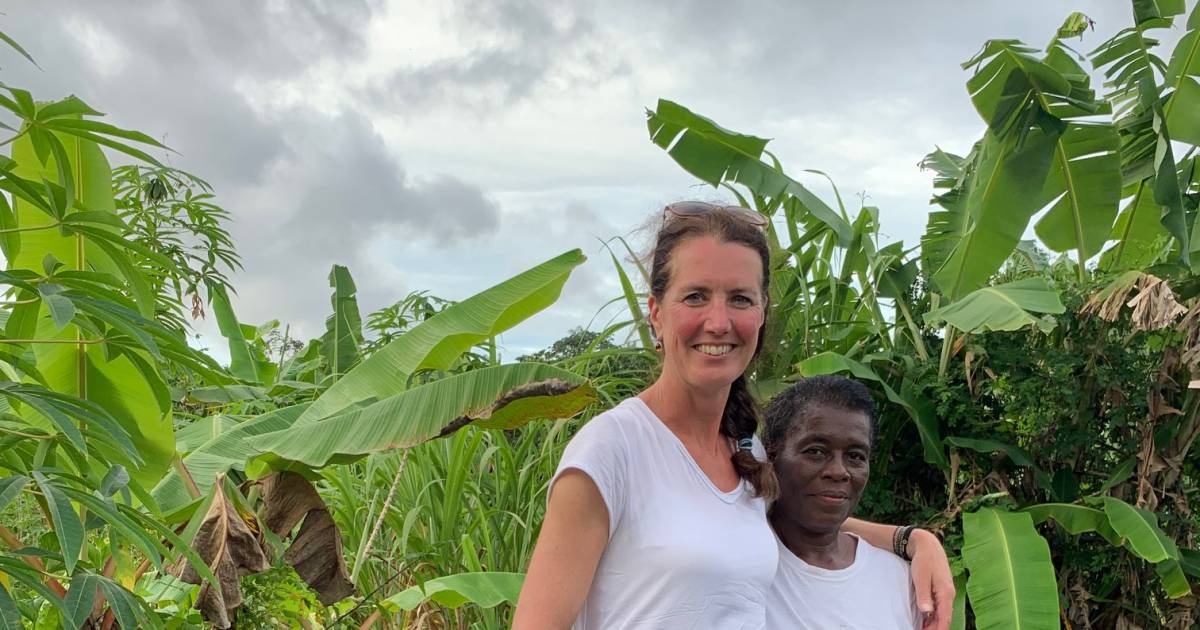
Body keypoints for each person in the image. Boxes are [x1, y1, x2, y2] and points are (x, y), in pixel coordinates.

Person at [512, 202, 954, 630]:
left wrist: (915, 541)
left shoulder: (745, 451)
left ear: (761, 313)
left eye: (740, 299)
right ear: (656, 314)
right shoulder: (613, 449)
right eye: (696, 296)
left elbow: (804, 518)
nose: (719, 322)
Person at [763, 375, 921, 629]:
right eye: (816, 451)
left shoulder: (899, 579)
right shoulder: (739, 563)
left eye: (855, 456)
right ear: (772, 455)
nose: (839, 471)